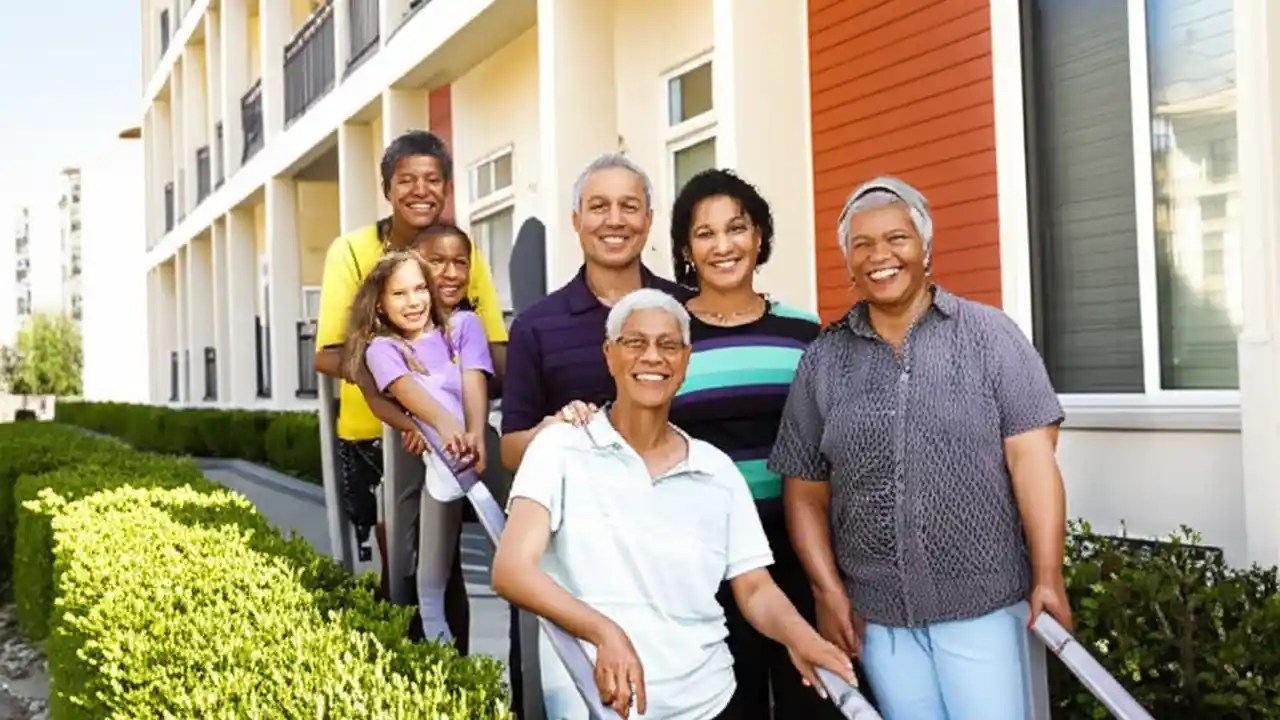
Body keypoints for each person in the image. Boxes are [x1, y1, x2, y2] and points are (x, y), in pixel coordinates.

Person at [769, 176, 1071, 720]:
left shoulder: (990, 336)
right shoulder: (824, 361)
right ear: (848, 263)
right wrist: (828, 591)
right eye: (862, 245)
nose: (880, 256)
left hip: (984, 609)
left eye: (896, 239)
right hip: (878, 619)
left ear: (925, 249)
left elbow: (1033, 462)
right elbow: (805, 490)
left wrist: (1048, 575)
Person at [492, 289, 857, 720]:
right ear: (609, 355)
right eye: (635, 343)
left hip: (711, 702)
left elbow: (755, 588)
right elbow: (511, 570)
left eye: (668, 345)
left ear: (685, 361)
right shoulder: (560, 448)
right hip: (600, 704)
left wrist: (803, 638)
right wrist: (603, 631)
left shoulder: (716, 470)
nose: (652, 356)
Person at [499, 153, 690, 717]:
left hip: (676, 555)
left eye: (629, 206)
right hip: (580, 565)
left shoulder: (682, 311)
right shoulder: (537, 324)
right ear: (576, 219)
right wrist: (552, 430)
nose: (615, 220)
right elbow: (510, 448)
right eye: (599, 206)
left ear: (650, 219)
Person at [313, 130, 507, 651]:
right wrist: (403, 394)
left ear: (446, 188)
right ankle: (400, 673)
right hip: (379, 437)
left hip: (454, 434)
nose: (421, 191)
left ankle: (453, 676)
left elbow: (485, 342)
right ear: (387, 187)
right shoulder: (354, 251)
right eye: (407, 180)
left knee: (446, 568)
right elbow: (329, 351)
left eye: (433, 180)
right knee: (399, 565)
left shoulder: (458, 250)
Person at [666, 169, 846, 719]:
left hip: (796, 549)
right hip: (702, 560)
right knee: (727, 705)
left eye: (737, 228)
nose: (724, 245)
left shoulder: (802, 329)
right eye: (705, 233)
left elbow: (827, 439)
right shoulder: (667, 331)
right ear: (685, 250)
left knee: (810, 698)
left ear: (760, 236)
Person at [341, 250, 493, 643]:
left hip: (483, 451)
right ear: (380, 303)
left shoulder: (463, 326)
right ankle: (441, 661)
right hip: (445, 463)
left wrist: (473, 432)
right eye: (399, 294)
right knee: (429, 582)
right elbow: (409, 397)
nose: (413, 302)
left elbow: (475, 382)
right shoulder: (382, 350)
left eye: (420, 289)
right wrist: (435, 431)